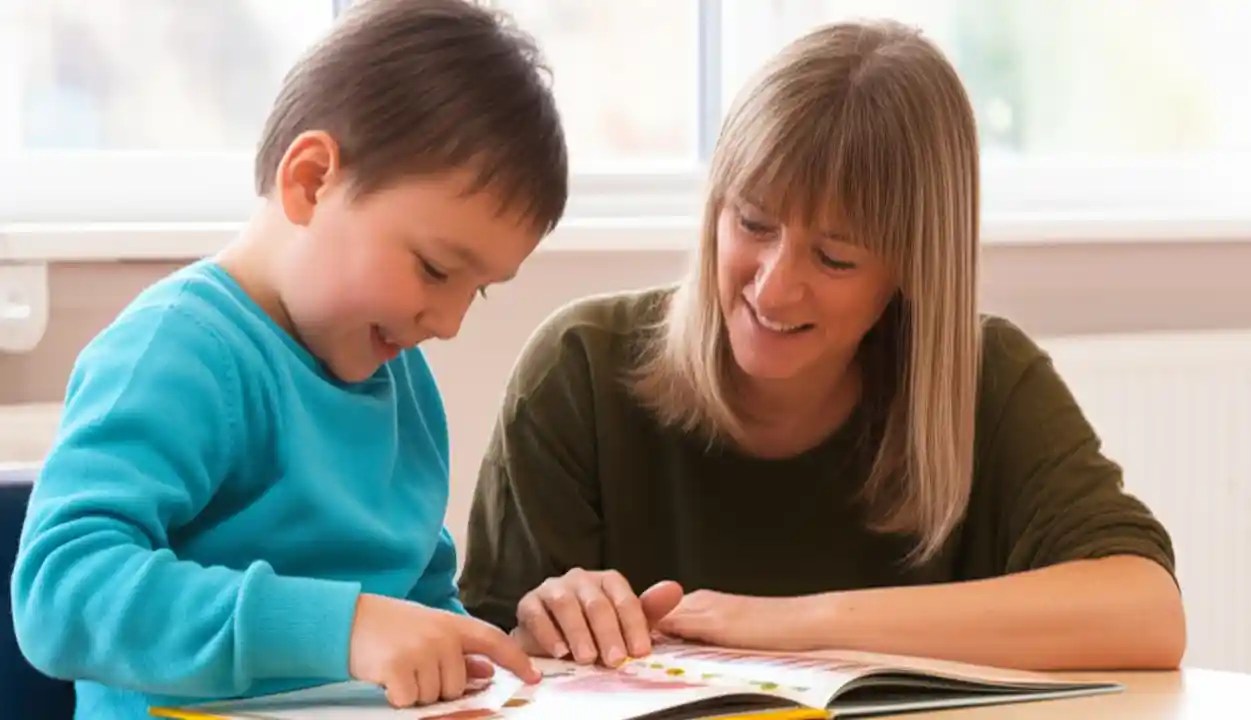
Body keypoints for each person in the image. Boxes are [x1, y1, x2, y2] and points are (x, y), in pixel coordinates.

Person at [458, 19, 1185, 672]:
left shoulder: (986, 381)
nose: (773, 290)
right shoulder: (579, 371)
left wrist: (796, 622)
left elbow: (1146, 613)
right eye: (752, 224)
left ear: (908, 272)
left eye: (835, 258)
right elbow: (484, 660)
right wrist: (544, 620)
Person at [11, 1, 564, 716]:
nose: (450, 323)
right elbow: (62, 592)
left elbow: (422, 598)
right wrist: (345, 627)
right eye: (433, 269)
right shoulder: (179, 352)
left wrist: (479, 655)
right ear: (311, 180)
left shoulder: (404, 386)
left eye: (478, 293)